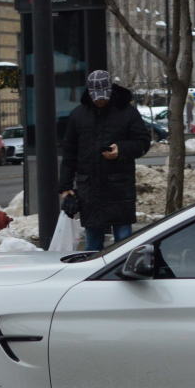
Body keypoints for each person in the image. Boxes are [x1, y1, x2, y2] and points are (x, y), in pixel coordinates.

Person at [58, 69, 151, 252]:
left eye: (103, 96)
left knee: (123, 244)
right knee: (93, 244)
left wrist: (121, 150)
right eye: (96, 97)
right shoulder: (78, 115)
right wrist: (65, 186)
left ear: (110, 91)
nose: (100, 100)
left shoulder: (128, 113)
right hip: (90, 190)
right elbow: (69, 154)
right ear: (90, 93)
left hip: (119, 189)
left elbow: (143, 142)